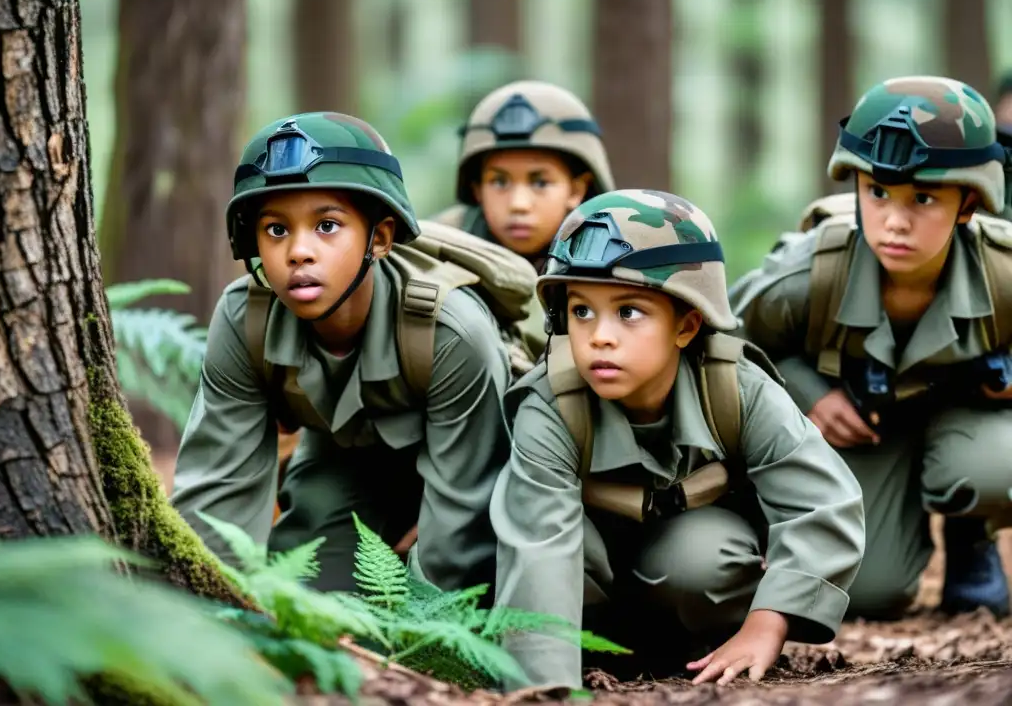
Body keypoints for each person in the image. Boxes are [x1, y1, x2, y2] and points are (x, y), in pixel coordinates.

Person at [490, 189, 865, 690]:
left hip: (690, 582)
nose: (599, 335)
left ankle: (688, 650)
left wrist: (767, 624)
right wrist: (542, 689)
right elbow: (539, 547)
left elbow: (825, 502)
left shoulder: (735, 388)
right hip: (584, 596)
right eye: (581, 311)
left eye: (628, 312)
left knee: (708, 555)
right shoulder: (551, 406)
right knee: (554, 549)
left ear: (687, 324)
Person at [170, 112, 516, 594]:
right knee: (307, 592)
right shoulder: (244, 319)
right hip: (344, 463)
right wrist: (205, 616)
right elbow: (216, 495)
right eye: (275, 230)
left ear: (379, 238)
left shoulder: (450, 332)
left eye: (327, 226)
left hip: (467, 473)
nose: (298, 251)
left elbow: (466, 523)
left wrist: (426, 635)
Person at [730, 76, 1012, 620]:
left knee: (997, 467)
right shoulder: (808, 277)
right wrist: (808, 394)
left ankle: (969, 531)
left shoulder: (1002, 273)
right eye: (877, 192)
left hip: (966, 425)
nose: (894, 221)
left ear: (969, 203)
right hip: (863, 427)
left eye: (923, 198)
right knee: (868, 595)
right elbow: (724, 349)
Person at [432, 81, 616, 360]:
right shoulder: (436, 252)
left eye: (540, 182)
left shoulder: (619, 254)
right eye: (499, 181)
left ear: (576, 189)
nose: (518, 204)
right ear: (477, 189)